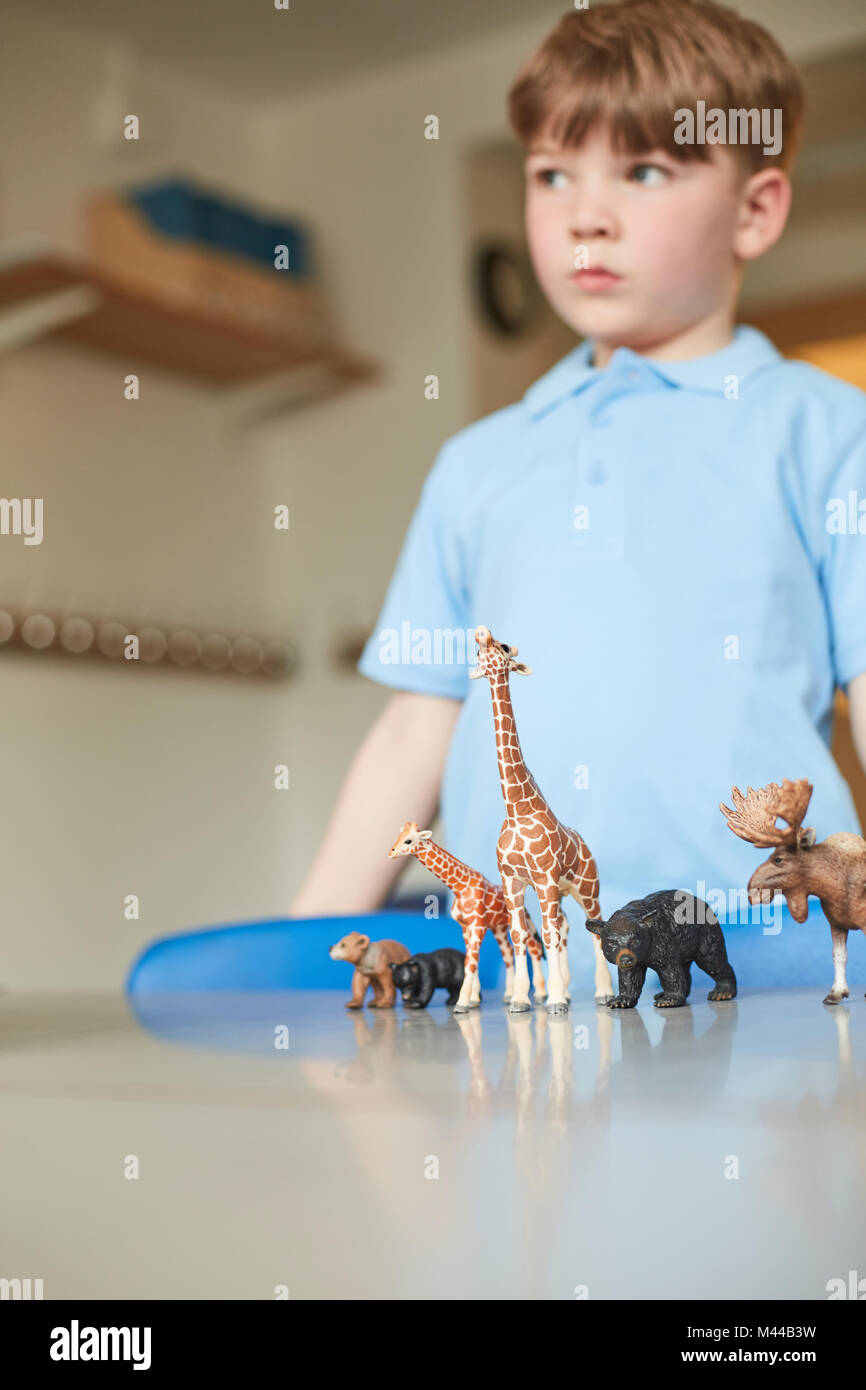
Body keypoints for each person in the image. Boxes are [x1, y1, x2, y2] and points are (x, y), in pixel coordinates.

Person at [292, 0, 866, 979]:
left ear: (754, 209)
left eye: (642, 171)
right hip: (517, 972)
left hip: (771, 963)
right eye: (551, 174)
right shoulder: (476, 460)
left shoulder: (825, 427)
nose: (582, 215)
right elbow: (413, 726)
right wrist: (305, 939)